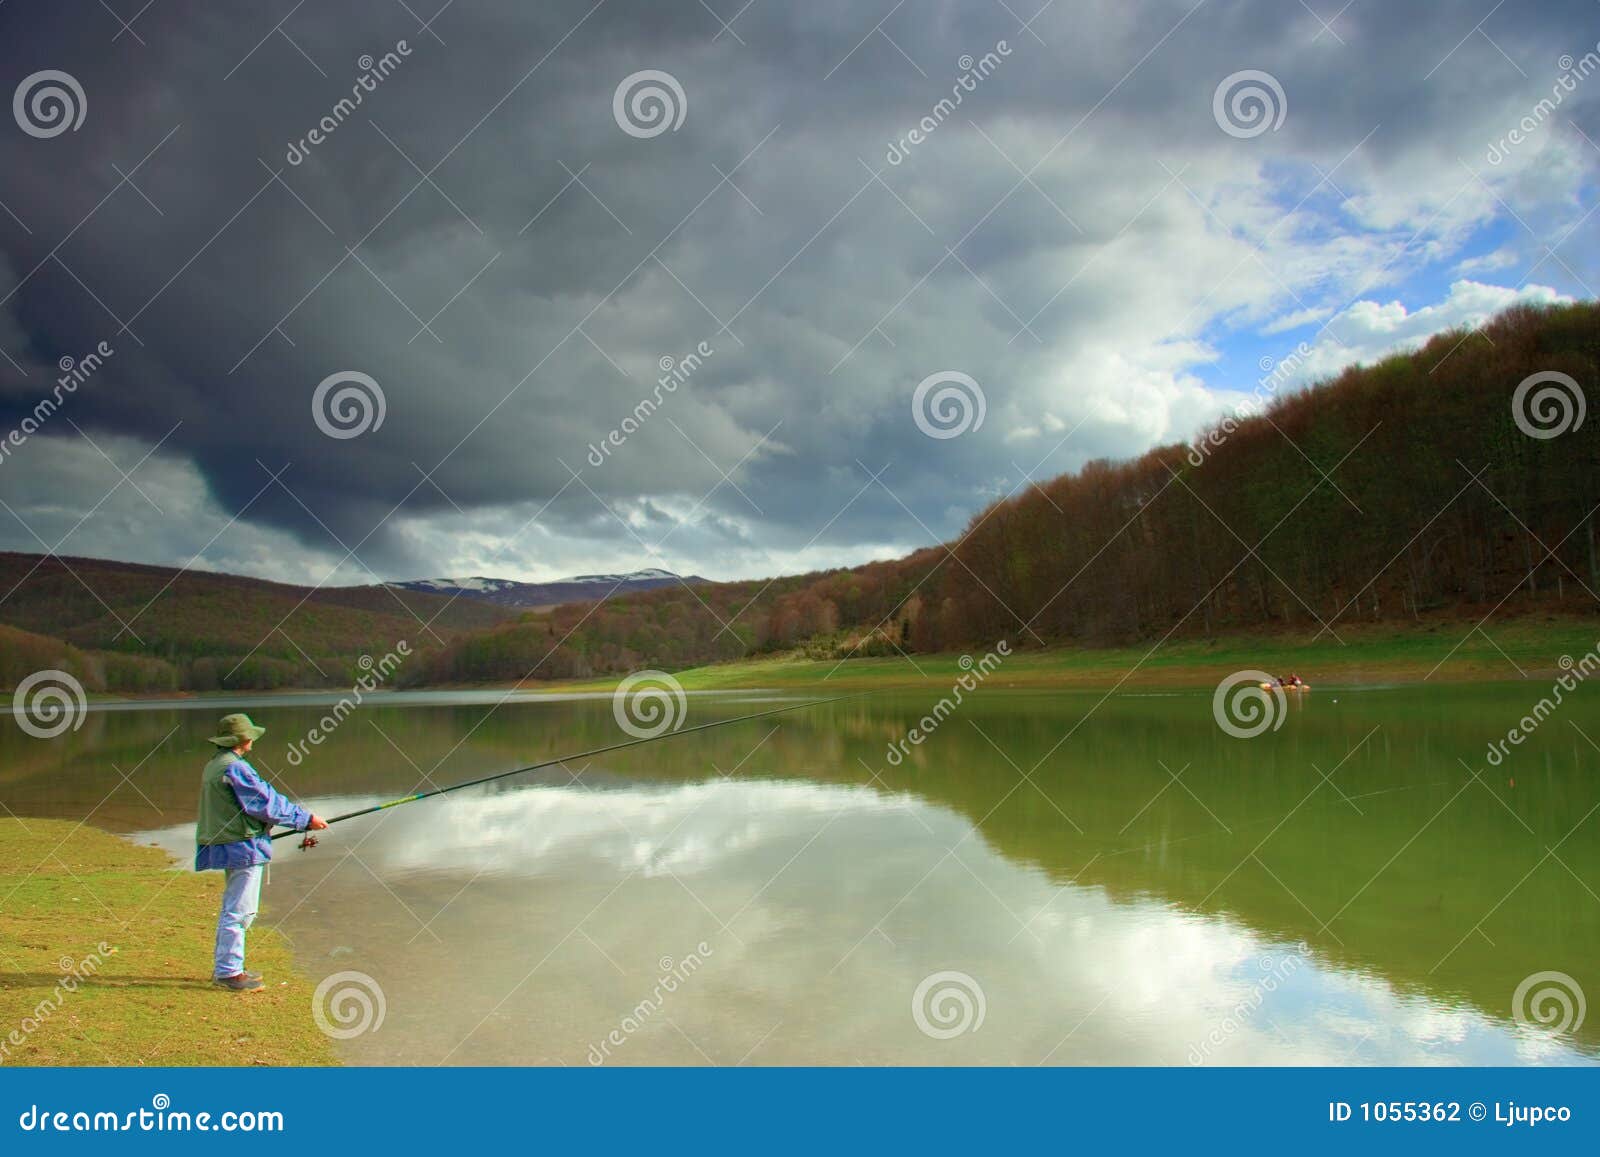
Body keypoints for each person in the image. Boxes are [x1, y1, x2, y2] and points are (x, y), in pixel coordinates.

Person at [196, 713, 326, 991]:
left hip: (230, 844)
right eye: (250, 736)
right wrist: (305, 820)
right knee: (240, 911)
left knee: (236, 908)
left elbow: (257, 804)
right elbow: (265, 804)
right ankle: (228, 972)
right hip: (241, 846)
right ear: (243, 739)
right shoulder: (236, 768)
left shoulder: (214, 765)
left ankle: (228, 967)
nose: (253, 739)